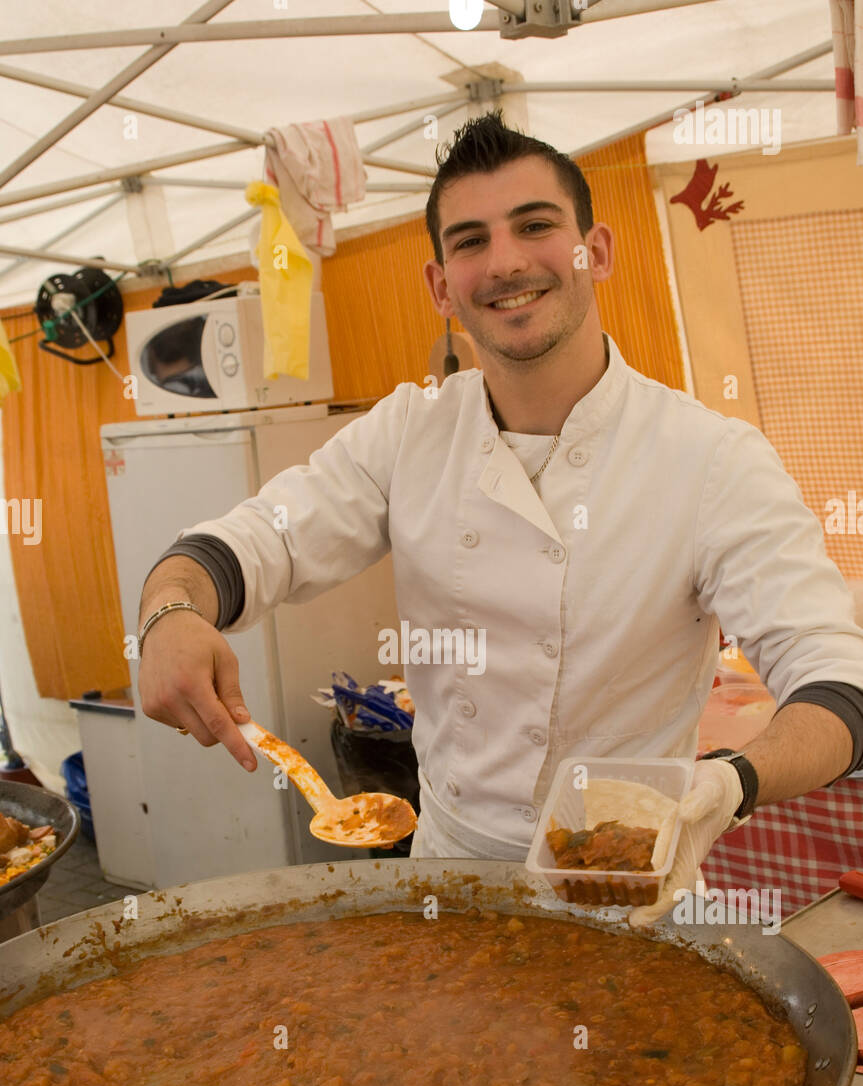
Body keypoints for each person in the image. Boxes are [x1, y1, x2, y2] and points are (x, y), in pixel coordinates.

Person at [137, 111, 863, 926]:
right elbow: (253, 541)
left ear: (599, 249)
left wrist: (730, 781)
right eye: (470, 240)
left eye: (535, 225)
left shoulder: (711, 458)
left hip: (629, 891)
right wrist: (170, 610)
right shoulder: (408, 432)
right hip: (450, 884)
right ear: (441, 286)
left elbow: (837, 684)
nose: (507, 261)